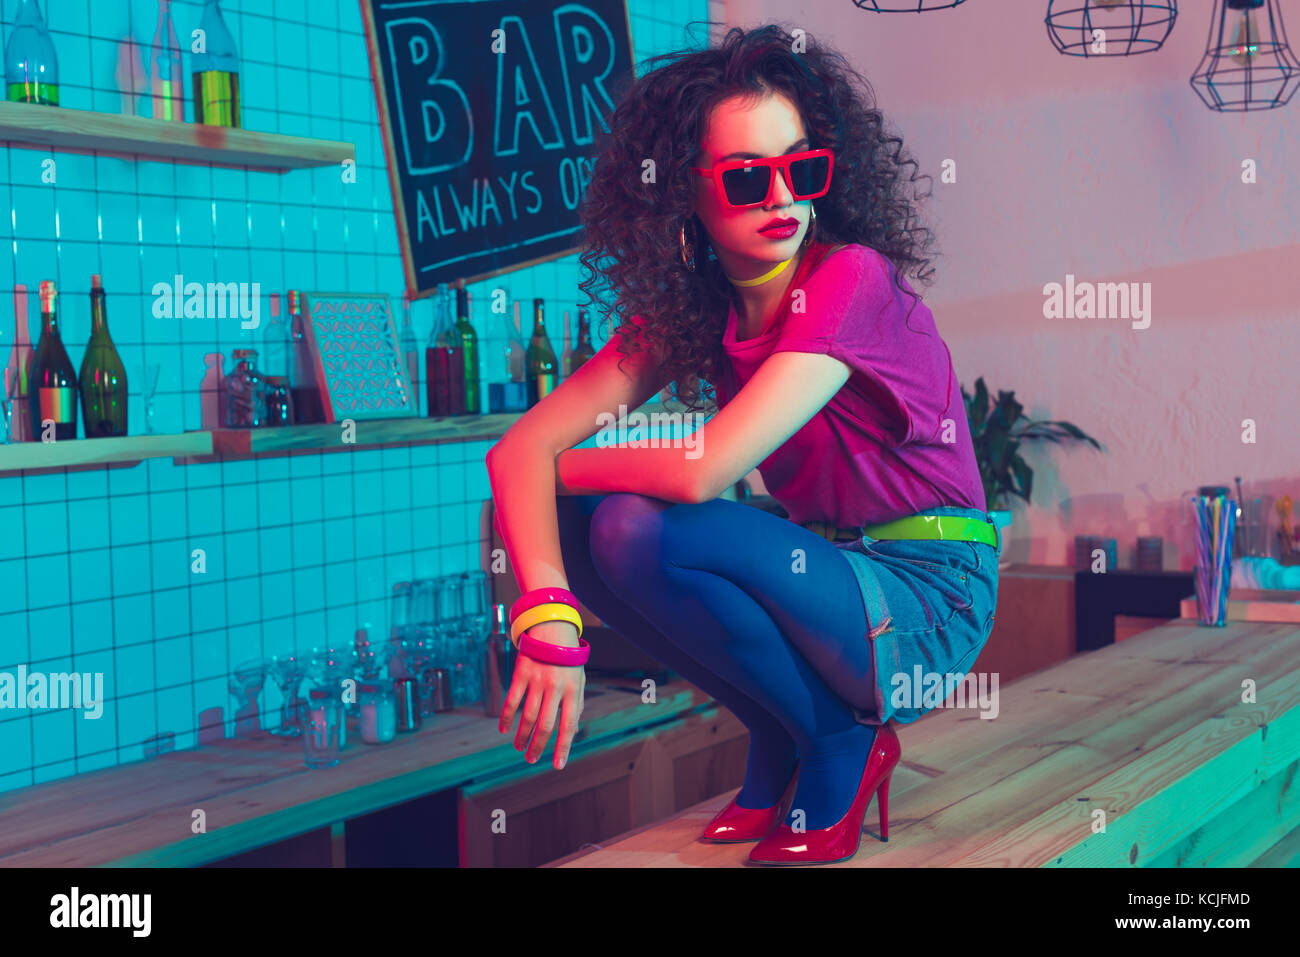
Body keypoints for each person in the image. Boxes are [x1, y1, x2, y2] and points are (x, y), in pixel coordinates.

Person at [486, 23, 999, 866]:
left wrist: (557, 468)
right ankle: (782, 730)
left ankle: (839, 740)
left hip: (927, 597)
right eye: (748, 178)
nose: (783, 200)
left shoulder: (848, 279)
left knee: (625, 522)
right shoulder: (696, 314)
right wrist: (545, 618)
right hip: (827, 583)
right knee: (590, 533)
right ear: (683, 196)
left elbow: (702, 469)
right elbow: (512, 452)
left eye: (802, 169)